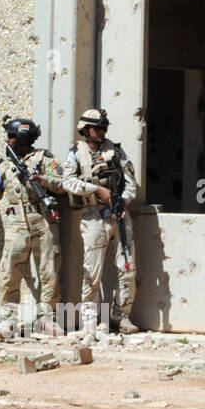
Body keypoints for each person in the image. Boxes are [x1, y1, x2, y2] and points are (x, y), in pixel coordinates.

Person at [0, 116, 65, 336]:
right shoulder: (3, 165)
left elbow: (62, 184)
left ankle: (48, 319)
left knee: (49, 272)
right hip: (16, 222)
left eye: (11, 136)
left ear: (22, 138)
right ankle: (8, 321)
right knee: (9, 273)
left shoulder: (44, 159)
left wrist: (43, 180)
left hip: (42, 219)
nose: (8, 139)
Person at [62, 108, 139, 336]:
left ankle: (122, 315)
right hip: (94, 217)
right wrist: (97, 190)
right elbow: (68, 182)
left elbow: (131, 182)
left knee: (127, 268)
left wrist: (122, 202)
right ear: (86, 129)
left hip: (119, 215)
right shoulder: (77, 153)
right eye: (98, 128)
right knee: (91, 271)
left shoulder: (115, 151)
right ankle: (89, 321)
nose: (102, 132)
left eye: (104, 128)